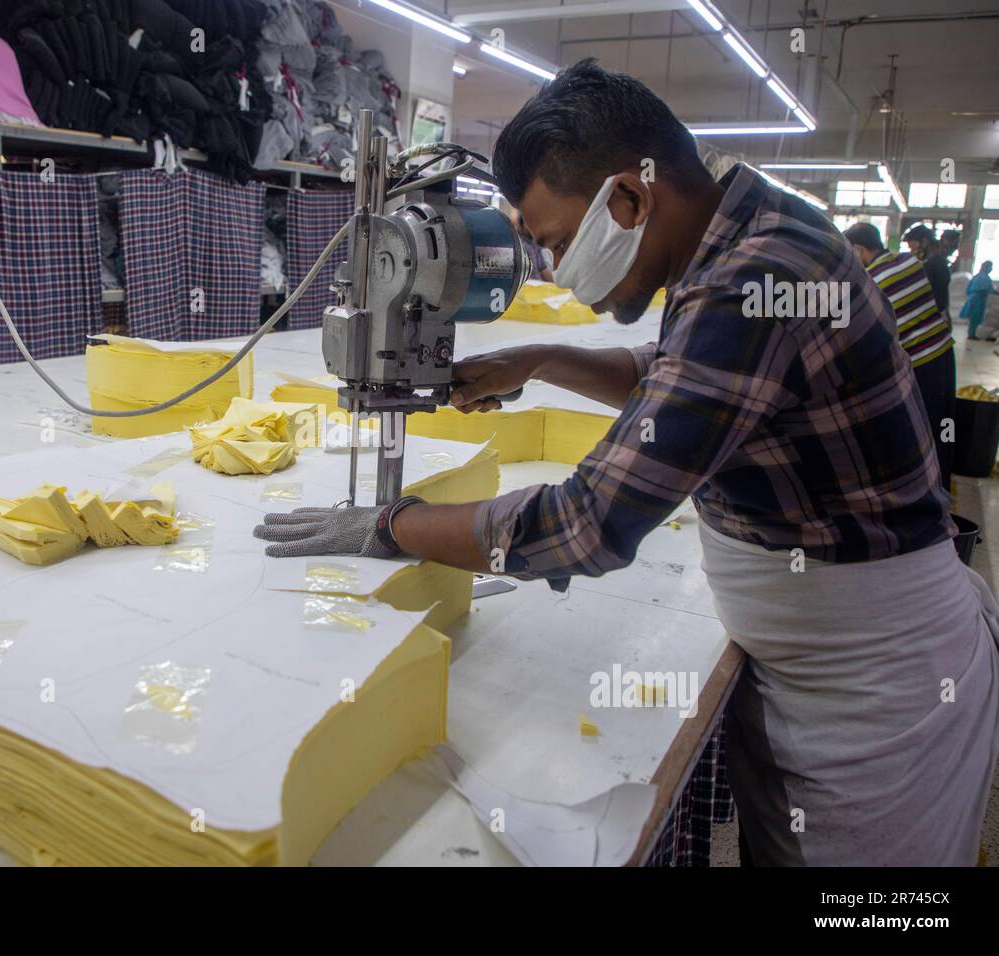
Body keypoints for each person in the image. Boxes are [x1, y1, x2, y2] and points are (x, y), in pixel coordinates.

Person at [254, 58, 999, 866]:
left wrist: (394, 524)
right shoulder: (743, 233)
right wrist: (537, 359)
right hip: (820, 667)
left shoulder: (758, 278)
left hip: (872, 698)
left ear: (631, 198)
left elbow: (588, 525)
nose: (566, 276)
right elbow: (680, 377)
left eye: (562, 244)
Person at [844, 222, 955, 488]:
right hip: (943, 353)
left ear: (859, 250)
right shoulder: (910, 262)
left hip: (919, 363)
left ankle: (926, 488)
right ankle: (943, 484)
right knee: (943, 424)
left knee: (921, 428)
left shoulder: (873, 280)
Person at [904, 224, 952, 322]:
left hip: (935, 320)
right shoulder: (933, 262)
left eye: (913, 248)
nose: (912, 252)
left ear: (925, 243)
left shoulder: (936, 264)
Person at [961, 261, 994, 339]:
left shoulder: (978, 276)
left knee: (974, 318)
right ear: (986, 267)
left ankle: (972, 334)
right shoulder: (983, 277)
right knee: (974, 318)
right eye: (990, 267)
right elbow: (985, 289)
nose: (991, 269)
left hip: (974, 298)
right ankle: (971, 335)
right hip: (977, 300)